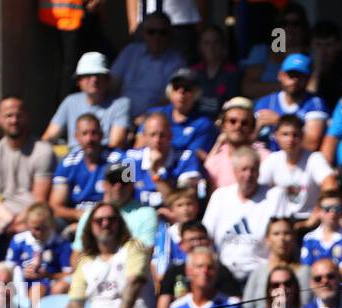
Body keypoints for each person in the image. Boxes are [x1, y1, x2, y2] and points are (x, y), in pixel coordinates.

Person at [63, 201, 154, 308]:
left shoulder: (134, 247)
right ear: (90, 227)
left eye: (111, 219)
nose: (105, 224)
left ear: (120, 223)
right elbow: (76, 302)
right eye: (99, 221)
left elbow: (134, 283)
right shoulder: (86, 260)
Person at [201, 146, 292, 285]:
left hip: (260, 272)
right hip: (224, 271)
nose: (249, 174)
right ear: (235, 172)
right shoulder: (220, 196)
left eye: (253, 169)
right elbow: (206, 235)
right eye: (244, 169)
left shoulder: (274, 195)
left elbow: (283, 236)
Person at [0, 98, 55, 235]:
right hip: (4, 217)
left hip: (35, 218)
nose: (14, 120)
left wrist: (13, 225)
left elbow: (40, 200)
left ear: (27, 117)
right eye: (8, 116)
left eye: (18, 115)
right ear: (0, 119)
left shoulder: (43, 151)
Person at [42, 51, 133, 148]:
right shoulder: (70, 102)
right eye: (88, 75)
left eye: (98, 75)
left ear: (108, 79)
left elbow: (116, 143)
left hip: (106, 160)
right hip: (73, 160)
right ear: (78, 81)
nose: (94, 80)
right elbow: (48, 138)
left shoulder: (121, 104)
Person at [111, 11, 188, 119]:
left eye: (162, 32)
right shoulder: (130, 51)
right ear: (144, 33)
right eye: (151, 32)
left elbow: (169, 100)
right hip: (119, 115)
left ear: (170, 35)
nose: (157, 37)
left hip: (153, 120)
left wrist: (144, 118)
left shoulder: (177, 63)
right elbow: (112, 83)